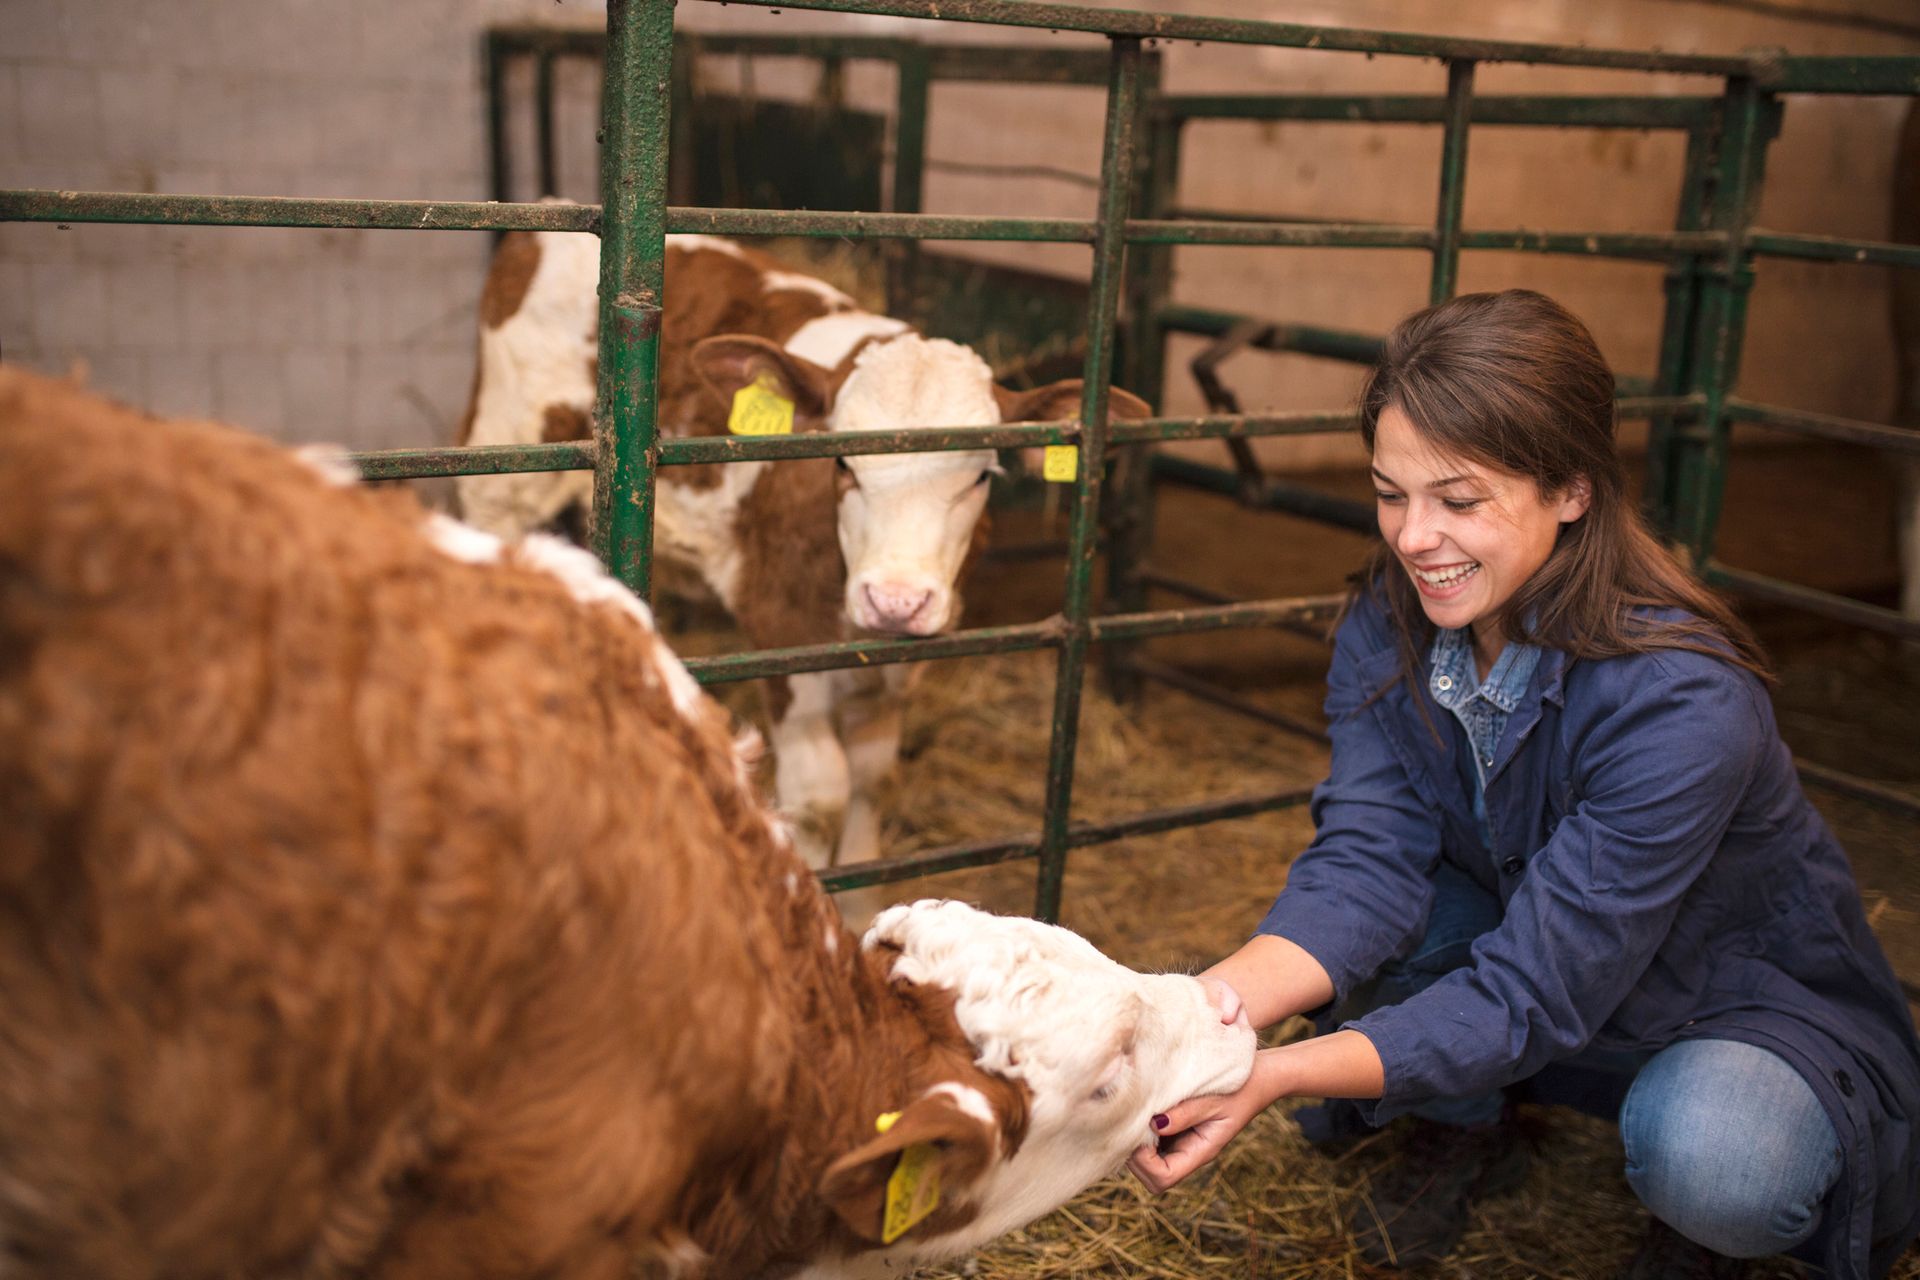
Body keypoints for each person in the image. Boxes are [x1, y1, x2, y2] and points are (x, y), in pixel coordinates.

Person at [1128, 289, 1920, 1279]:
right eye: (1389, 492)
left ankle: (1701, 1228)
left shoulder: (1681, 700)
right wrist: (1182, 1019)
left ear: (1573, 490)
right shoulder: (1390, 618)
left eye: (1459, 500)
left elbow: (1528, 989)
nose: (1414, 537)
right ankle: (1463, 1124)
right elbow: (1365, 864)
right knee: (1385, 926)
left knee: (1717, 1157)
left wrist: (1270, 1071)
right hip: (1539, 951)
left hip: (1720, 1002)